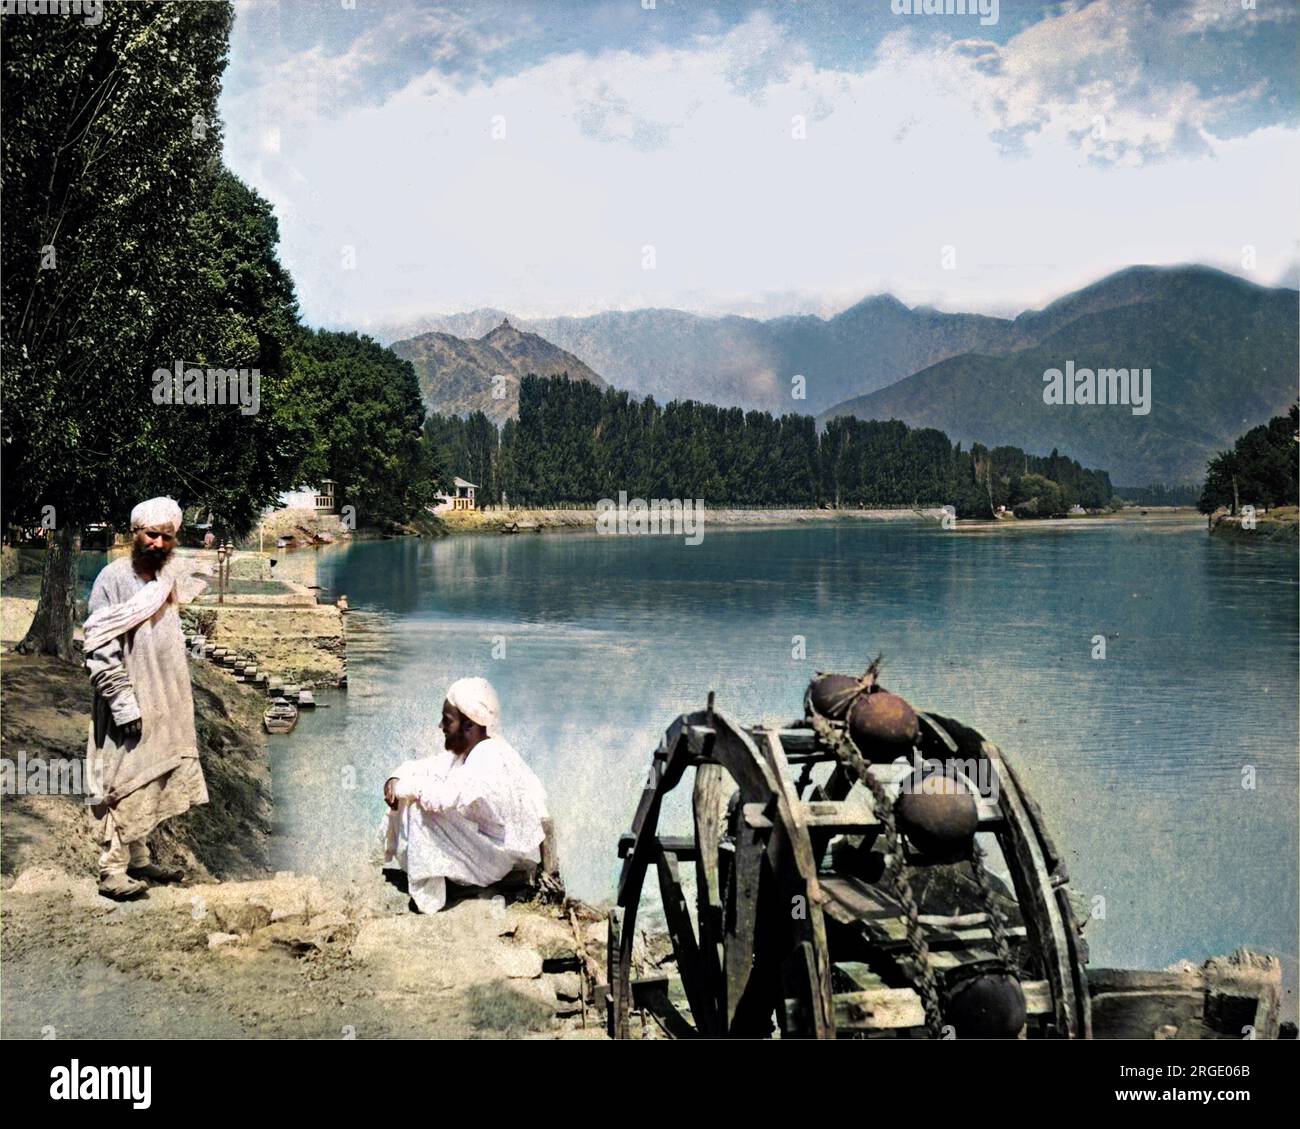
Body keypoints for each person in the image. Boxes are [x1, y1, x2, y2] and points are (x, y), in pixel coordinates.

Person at [83, 497, 208, 900]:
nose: (157, 543)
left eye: (166, 537)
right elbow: (99, 644)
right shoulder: (112, 578)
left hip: (165, 698)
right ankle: (112, 870)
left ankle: (138, 860)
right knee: (125, 778)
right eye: (151, 535)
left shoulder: (168, 578)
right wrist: (122, 701)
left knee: (154, 773)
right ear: (135, 534)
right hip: (130, 696)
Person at [382, 677, 549, 913]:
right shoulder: (481, 747)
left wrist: (403, 789)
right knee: (418, 788)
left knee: (420, 810)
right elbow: (429, 767)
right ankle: (445, 872)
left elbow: (440, 797)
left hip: (493, 858)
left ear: (469, 725)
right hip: (492, 848)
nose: (441, 726)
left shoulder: (488, 757)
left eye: (447, 720)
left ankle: (431, 896)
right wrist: (396, 779)